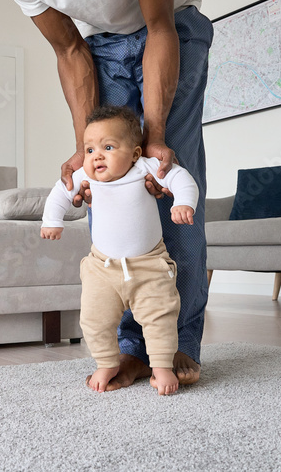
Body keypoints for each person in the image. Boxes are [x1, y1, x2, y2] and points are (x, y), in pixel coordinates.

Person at [0, 0, 213, 390]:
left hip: (171, 25)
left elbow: (158, 26)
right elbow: (69, 50)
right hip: (101, 46)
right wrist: (83, 150)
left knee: (167, 172)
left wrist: (152, 136)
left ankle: (178, 342)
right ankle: (132, 350)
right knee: (110, 178)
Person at [41, 106, 198, 396]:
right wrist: (53, 220)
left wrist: (182, 202)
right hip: (103, 267)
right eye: (89, 149)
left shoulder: (146, 168)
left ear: (135, 154)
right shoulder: (85, 176)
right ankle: (107, 363)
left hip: (150, 265)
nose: (96, 156)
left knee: (160, 317)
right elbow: (59, 192)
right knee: (94, 318)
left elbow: (180, 178)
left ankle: (162, 366)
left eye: (108, 147)